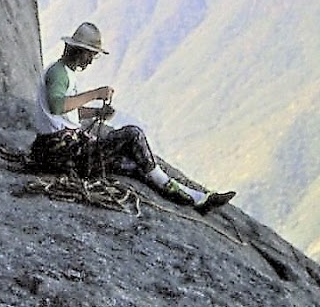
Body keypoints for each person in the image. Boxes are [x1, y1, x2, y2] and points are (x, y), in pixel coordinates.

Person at [31, 21, 235, 212]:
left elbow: (64, 111)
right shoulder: (59, 74)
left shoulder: (63, 72)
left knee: (136, 165)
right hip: (65, 154)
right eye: (91, 55)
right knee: (132, 134)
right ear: (81, 51)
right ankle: (187, 192)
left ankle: (196, 198)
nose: (91, 60)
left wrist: (95, 113)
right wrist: (95, 94)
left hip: (60, 155)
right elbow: (57, 106)